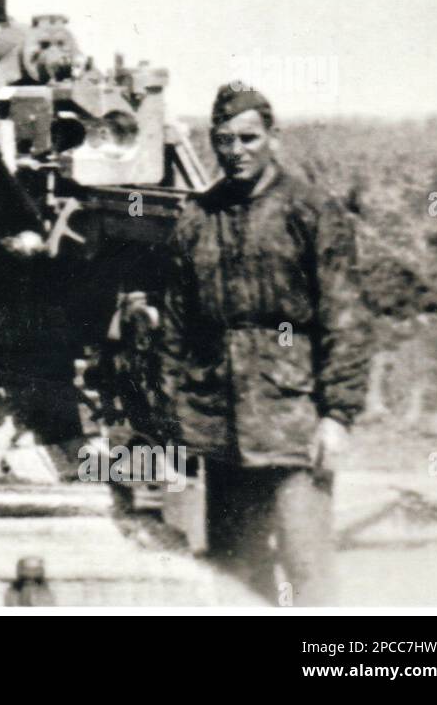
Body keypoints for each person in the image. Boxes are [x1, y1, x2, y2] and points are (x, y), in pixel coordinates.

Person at [158, 83, 365, 606]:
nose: (236, 151)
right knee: (235, 568)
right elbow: (175, 327)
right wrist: (167, 417)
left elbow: (345, 317)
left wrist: (337, 415)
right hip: (219, 422)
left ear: (273, 137)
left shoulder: (311, 211)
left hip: (293, 421)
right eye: (224, 140)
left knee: (306, 563)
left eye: (248, 138)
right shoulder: (196, 218)